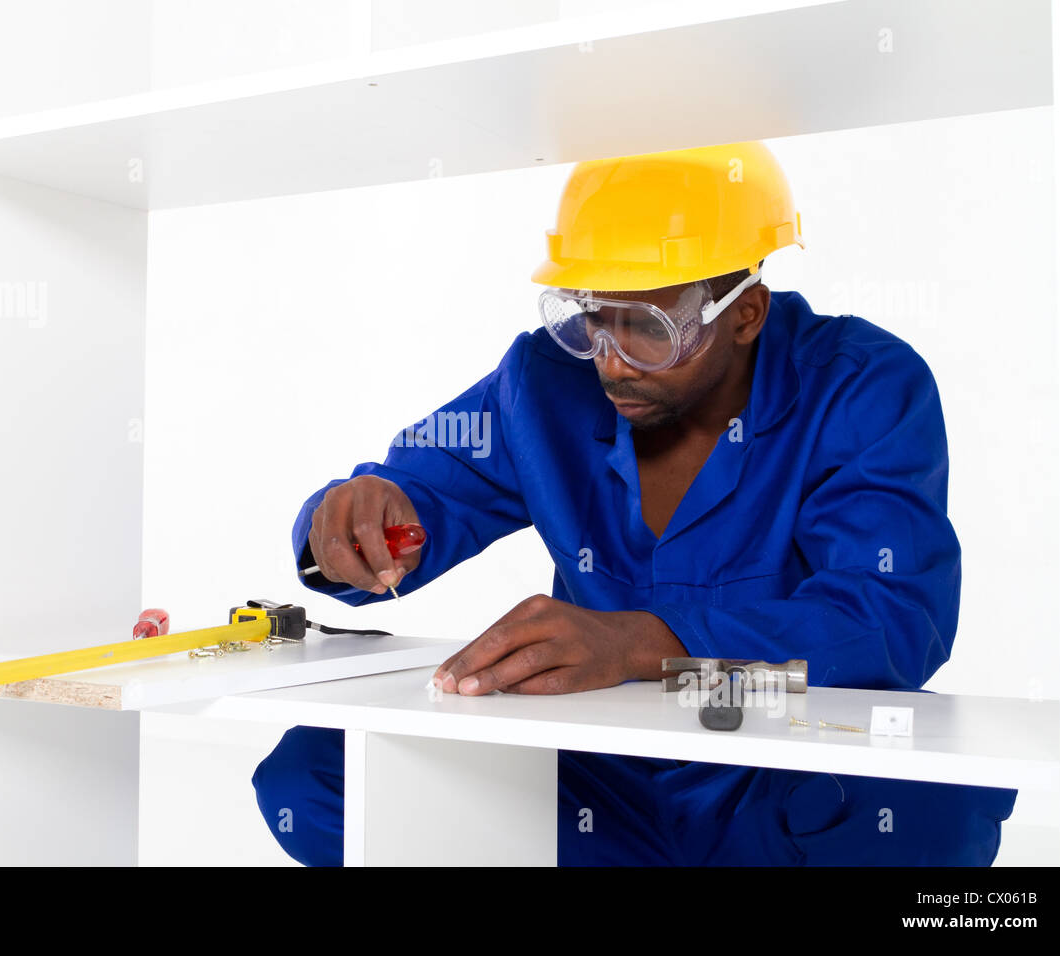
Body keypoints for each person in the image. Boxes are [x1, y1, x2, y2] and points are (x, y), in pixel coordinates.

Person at [251, 142, 1018, 866]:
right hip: (596, 774)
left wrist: (642, 645)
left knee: (927, 807)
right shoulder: (547, 379)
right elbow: (418, 487)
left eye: (649, 327)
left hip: (776, 765)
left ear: (744, 313)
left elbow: (888, 623)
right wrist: (354, 520)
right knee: (313, 776)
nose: (611, 357)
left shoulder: (862, 384)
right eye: (591, 314)